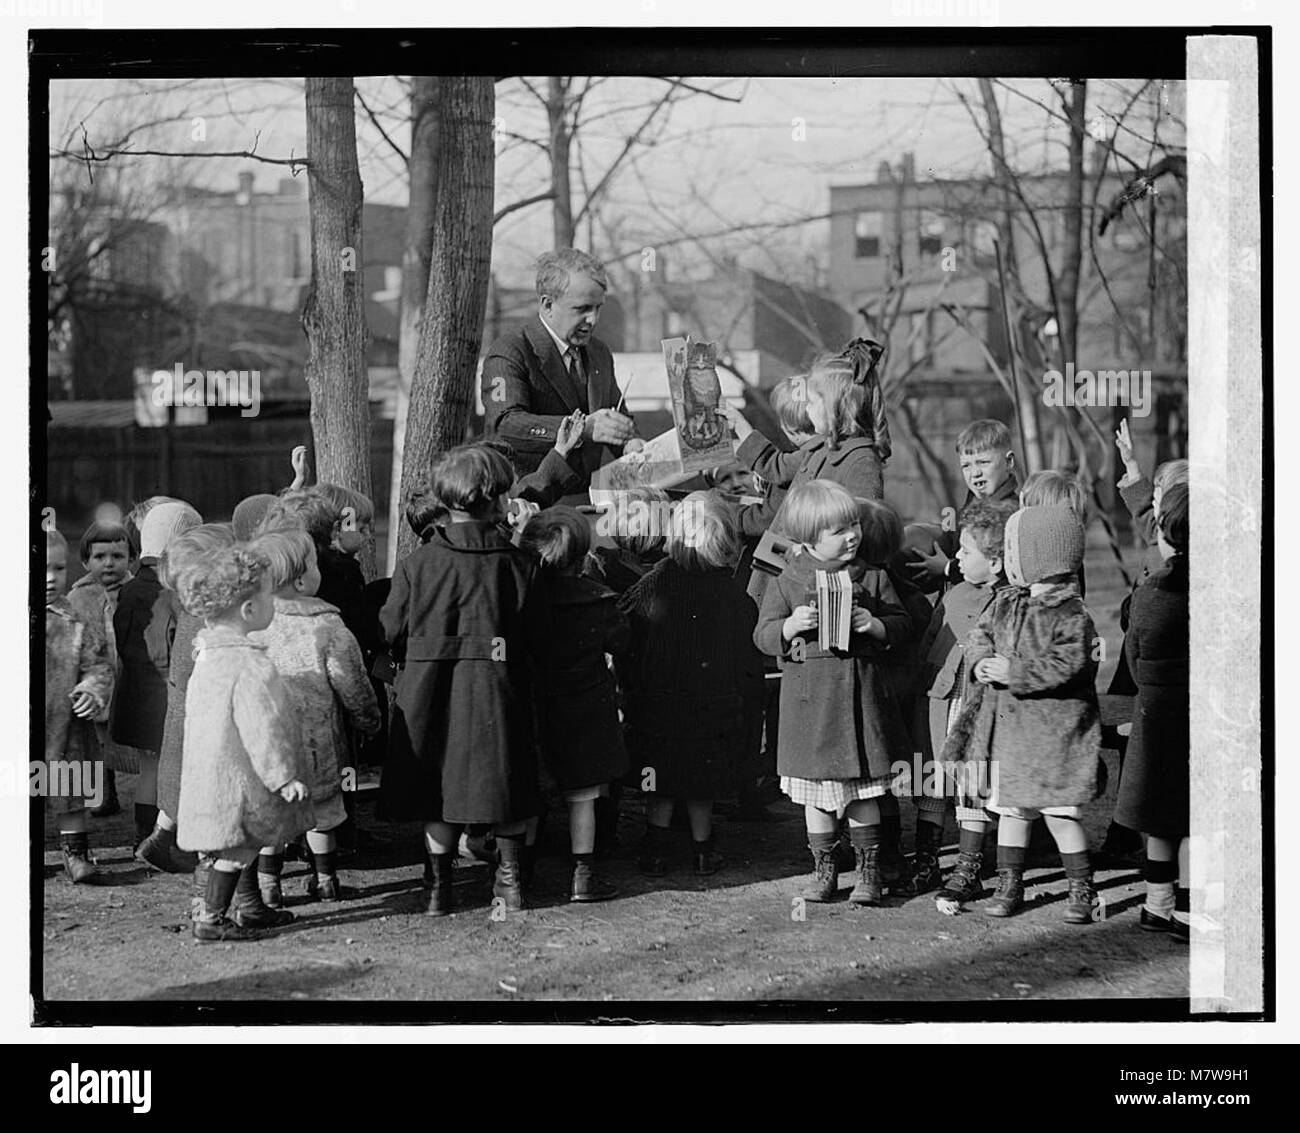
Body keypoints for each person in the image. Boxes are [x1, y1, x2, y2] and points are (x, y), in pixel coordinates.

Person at [379, 443, 543, 916]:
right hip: (497, 693)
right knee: (505, 784)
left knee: (438, 790)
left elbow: (389, 629)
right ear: (494, 498)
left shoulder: (418, 564)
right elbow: (537, 637)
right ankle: (510, 885)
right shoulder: (519, 565)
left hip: (429, 695)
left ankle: (437, 890)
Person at [753, 480, 913, 906]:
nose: (852, 536)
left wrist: (874, 625)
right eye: (839, 531)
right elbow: (763, 635)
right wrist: (790, 626)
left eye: (854, 525)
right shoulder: (788, 580)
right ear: (808, 539)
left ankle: (868, 872)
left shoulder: (873, 576)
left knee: (862, 795)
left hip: (860, 705)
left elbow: (902, 623)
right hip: (809, 710)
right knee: (818, 800)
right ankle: (824, 871)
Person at [949, 505, 1103, 923]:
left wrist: (1014, 673)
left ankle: (1080, 889)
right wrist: (981, 661)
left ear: (1037, 557)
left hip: (1055, 743)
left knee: (1060, 815)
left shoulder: (1072, 614)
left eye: (1014, 551)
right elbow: (979, 635)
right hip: (1013, 741)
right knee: (1011, 813)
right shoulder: (1006, 602)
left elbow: (1070, 665)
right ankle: (1009, 883)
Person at [618, 492, 765, 877]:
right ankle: (703, 850)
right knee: (701, 786)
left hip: (658, 707)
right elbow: (746, 662)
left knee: (661, 784)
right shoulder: (736, 597)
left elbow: (622, 634)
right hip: (712, 710)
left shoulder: (652, 586)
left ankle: (655, 849)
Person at [173, 546, 313, 943]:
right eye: (269, 596)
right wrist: (282, 776)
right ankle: (212, 919)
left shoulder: (207, 657)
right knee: (238, 851)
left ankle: (226, 911)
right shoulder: (249, 665)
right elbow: (261, 726)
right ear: (250, 609)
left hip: (208, 777)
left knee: (228, 850)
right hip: (242, 781)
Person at [249, 526, 380, 907]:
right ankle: (325, 880)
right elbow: (350, 682)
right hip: (320, 745)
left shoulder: (254, 627)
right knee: (323, 813)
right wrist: (368, 720)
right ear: (305, 579)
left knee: (274, 817)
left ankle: (269, 888)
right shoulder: (327, 626)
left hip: (269, 746)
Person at [519, 507, 629, 902]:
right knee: (583, 797)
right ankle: (583, 876)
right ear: (583, 554)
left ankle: (522, 873)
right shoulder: (598, 600)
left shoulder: (524, 600)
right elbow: (622, 643)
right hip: (587, 708)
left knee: (533, 793)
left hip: (537, 707)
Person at [915, 498, 1018, 910]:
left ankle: (969, 866)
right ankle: (925, 859)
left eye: (966, 551)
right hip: (941, 702)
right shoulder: (953, 595)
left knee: (972, 783)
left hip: (979, 709)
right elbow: (928, 643)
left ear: (995, 562)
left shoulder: (1009, 602)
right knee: (931, 778)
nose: (956, 557)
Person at [481, 248, 643, 499]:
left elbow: (614, 416)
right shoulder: (510, 351)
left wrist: (630, 443)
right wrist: (581, 428)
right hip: (529, 502)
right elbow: (506, 424)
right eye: (582, 309)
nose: (593, 320)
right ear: (547, 305)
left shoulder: (599, 352)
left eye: (598, 308)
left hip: (585, 505)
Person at [1114, 482, 1190, 940]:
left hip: (1154, 713)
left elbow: (1133, 654)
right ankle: (1188, 908)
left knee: (1161, 819)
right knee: (1192, 820)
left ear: (1164, 534)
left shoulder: (1150, 591)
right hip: (1195, 717)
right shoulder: (1215, 589)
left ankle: (1156, 904)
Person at [112, 501, 202, 853]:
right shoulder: (174, 592)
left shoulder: (130, 587)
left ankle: (141, 834)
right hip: (165, 695)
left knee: (150, 767)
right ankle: (166, 836)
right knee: (174, 767)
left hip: (135, 691)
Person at [45, 527, 115, 883]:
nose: (50, 578)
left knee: (69, 792)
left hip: (67, 726)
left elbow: (97, 665)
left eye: (58, 568)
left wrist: (92, 690)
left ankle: (76, 854)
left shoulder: (73, 620)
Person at [908, 418, 1020, 592]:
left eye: (983, 463)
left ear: (1009, 462)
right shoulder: (973, 502)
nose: (975, 473)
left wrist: (947, 568)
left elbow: (990, 566)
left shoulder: (1010, 514)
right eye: (966, 465)